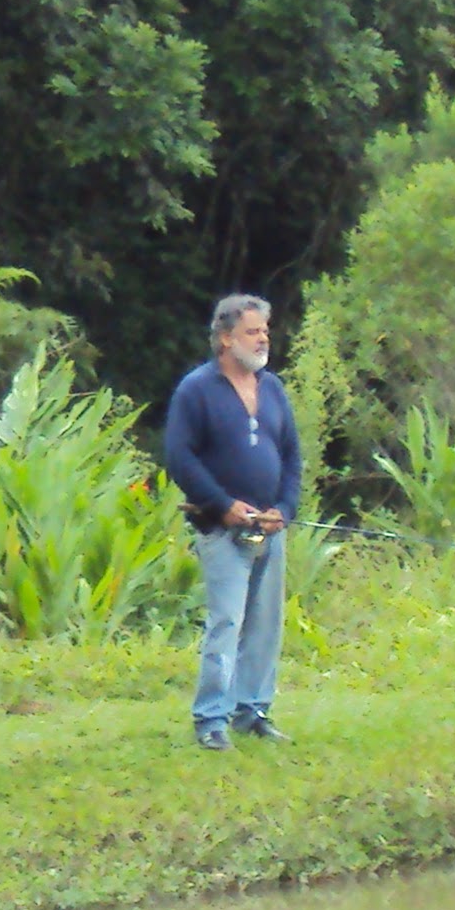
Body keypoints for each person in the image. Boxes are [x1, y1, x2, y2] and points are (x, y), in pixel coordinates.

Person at [164, 294, 302, 750]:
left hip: (269, 529)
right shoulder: (196, 390)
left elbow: (291, 456)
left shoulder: (274, 388)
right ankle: (211, 719)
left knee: (265, 625)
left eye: (265, 330)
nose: (263, 338)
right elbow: (180, 457)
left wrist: (285, 507)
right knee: (226, 623)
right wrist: (222, 504)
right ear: (225, 338)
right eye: (252, 331)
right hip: (221, 529)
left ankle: (253, 711)